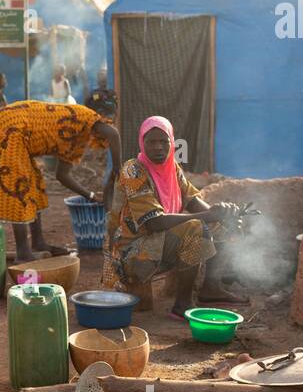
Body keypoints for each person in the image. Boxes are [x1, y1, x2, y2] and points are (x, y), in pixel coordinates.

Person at [102, 116, 249, 317]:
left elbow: (193, 200)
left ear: (172, 142)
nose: (158, 147)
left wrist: (222, 215)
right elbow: (155, 223)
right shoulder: (132, 171)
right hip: (130, 252)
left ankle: (211, 289)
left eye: (164, 141)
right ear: (142, 143)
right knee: (195, 228)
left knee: (219, 224)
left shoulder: (172, 167)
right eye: (151, 142)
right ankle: (182, 305)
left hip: (156, 242)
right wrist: (209, 215)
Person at [0, 100, 121, 263]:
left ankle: (38, 244)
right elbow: (113, 134)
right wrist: (117, 170)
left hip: (19, 130)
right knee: (18, 188)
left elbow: (62, 175)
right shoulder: (86, 117)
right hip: (10, 125)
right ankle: (23, 253)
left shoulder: (79, 137)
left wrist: (90, 195)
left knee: (35, 184)